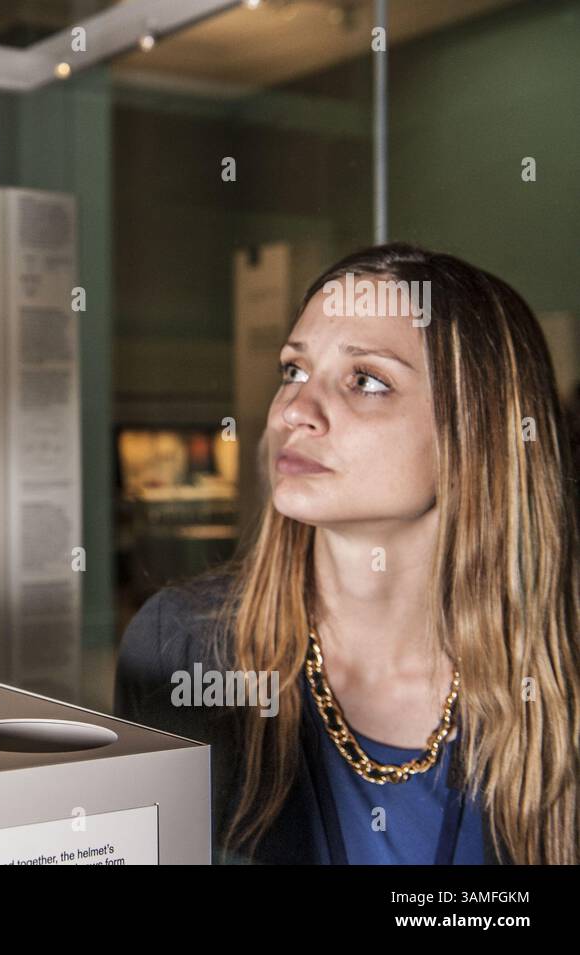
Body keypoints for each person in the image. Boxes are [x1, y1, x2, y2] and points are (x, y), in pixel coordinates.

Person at [115, 243, 580, 865]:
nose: (295, 410)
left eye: (365, 380)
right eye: (294, 370)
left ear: (480, 433)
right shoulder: (183, 649)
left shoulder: (556, 682)